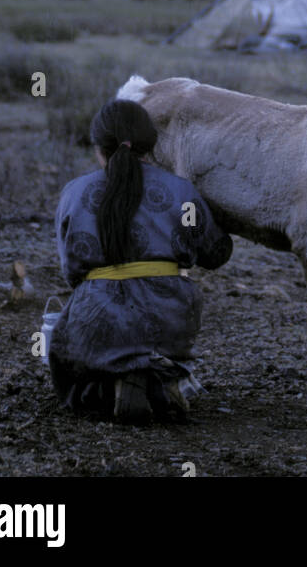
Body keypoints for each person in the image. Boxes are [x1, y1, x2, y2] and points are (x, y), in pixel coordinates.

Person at [48, 97, 232, 424]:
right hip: (173, 316)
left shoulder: (74, 193)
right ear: (151, 146)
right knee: (156, 343)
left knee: (69, 374)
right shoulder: (182, 191)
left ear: (98, 148)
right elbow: (215, 254)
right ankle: (157, 378)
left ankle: (116, 382)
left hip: (99, 316)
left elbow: (70, 271)